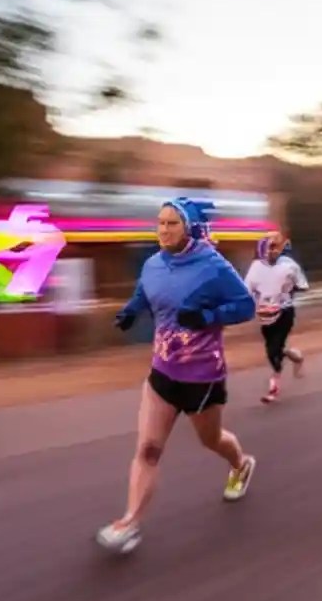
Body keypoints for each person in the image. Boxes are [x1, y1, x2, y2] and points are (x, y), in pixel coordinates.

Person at [97, 198, 258, 554]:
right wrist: (131, 310)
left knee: (211, 440)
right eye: (160, 222)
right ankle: (129, 523)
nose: (163, 230)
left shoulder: (213, 266)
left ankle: (241, 463)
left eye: (172, 223)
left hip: (202, 378)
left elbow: (246, 306)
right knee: (148, 449)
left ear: (190, 228)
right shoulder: (153, 264)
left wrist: (206, 317)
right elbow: (145, 292)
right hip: (162, 372)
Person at [245, 231, 309, 403]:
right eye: (269, 246)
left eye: (275, 246)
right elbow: (247, 290)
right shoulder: (256, 266)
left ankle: (273, 386)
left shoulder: (289, 265)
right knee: (272, 348)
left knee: (274, 348)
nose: (272, 250)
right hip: (265, 314)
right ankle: (295, 356)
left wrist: (289, 290)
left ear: (282, 248)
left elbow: (303, 285)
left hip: (285, 312)